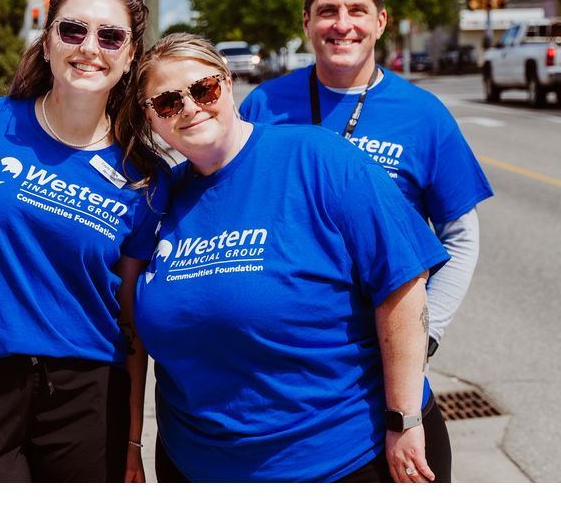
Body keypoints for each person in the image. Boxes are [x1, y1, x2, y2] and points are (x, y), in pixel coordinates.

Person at [123, 33, 450, 482]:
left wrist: (404, 418)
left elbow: (403, 284)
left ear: (228, 83)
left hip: (345, 458)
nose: (191, 108)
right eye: (167, 102)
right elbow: (130, 331)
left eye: (203, 89)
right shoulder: (158, 200)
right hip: (197, 467)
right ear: (151, 119)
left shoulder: (318, 158)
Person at [241, 0, 493, 481]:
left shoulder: (423, 114)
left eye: (357, 9)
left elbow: (461, 236)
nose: (342, 24)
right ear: (306, 22)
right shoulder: (265, 106)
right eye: (327, 9)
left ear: (380, 21)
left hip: (387, 363)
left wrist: (428, 334)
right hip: (291, 375)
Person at [0, 0, 168, 483]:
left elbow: (129, 321)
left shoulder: (144, 177)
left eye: (110, 37)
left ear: (129, 58)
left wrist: (131, 439)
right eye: (72, 30)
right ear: (47, 42)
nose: (89, 47)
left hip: (86, 391)